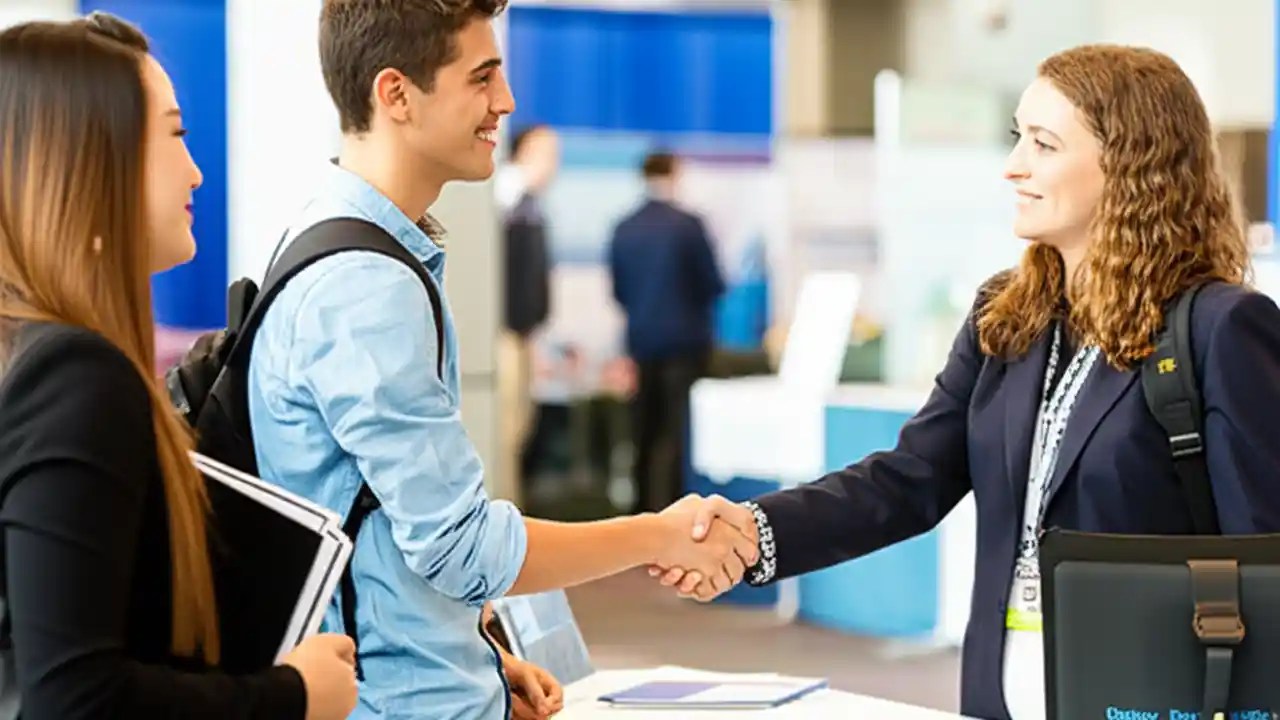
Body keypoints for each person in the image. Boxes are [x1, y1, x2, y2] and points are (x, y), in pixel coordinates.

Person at [660, 44, 1280, 720]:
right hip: (997, 692)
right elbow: (908, 480)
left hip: (1155, 694)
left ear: (1131, 162)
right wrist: (754, 533)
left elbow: (1267, 557)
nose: (1014, 166)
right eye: (1019, 138)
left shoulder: (1222, 327)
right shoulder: (1007, 315)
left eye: (1044, 144)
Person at [245, 2, 756, 719]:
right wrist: (659, 535)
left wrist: (476, 656)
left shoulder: (348, 246)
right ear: (395, 94)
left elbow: (385, 533)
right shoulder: (366, 286)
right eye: (481, 78)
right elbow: (459, 546)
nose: (505, 103)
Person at [0, 13, 358, 720]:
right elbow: (73, 698)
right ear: (89, 156)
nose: (195, 169)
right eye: (174, 134)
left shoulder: (35, 357)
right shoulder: (75, 376)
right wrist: (293, 695)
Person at [608, 151, 725, 513]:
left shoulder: (625, 227)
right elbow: (713, 284)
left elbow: (619, 291)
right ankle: (678, 512)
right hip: (684, 345)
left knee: (643, 434)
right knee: (678, 435)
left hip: (642, 344)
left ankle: (639, 515)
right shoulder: (688, 226)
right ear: (674, 175)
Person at [495, 124, 559, 500]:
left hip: (520, 335)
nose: (554, 166)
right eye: (548, 155)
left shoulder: (528, 205)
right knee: (506, 430)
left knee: (519, 428)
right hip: (505, 335)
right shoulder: (508, 203)